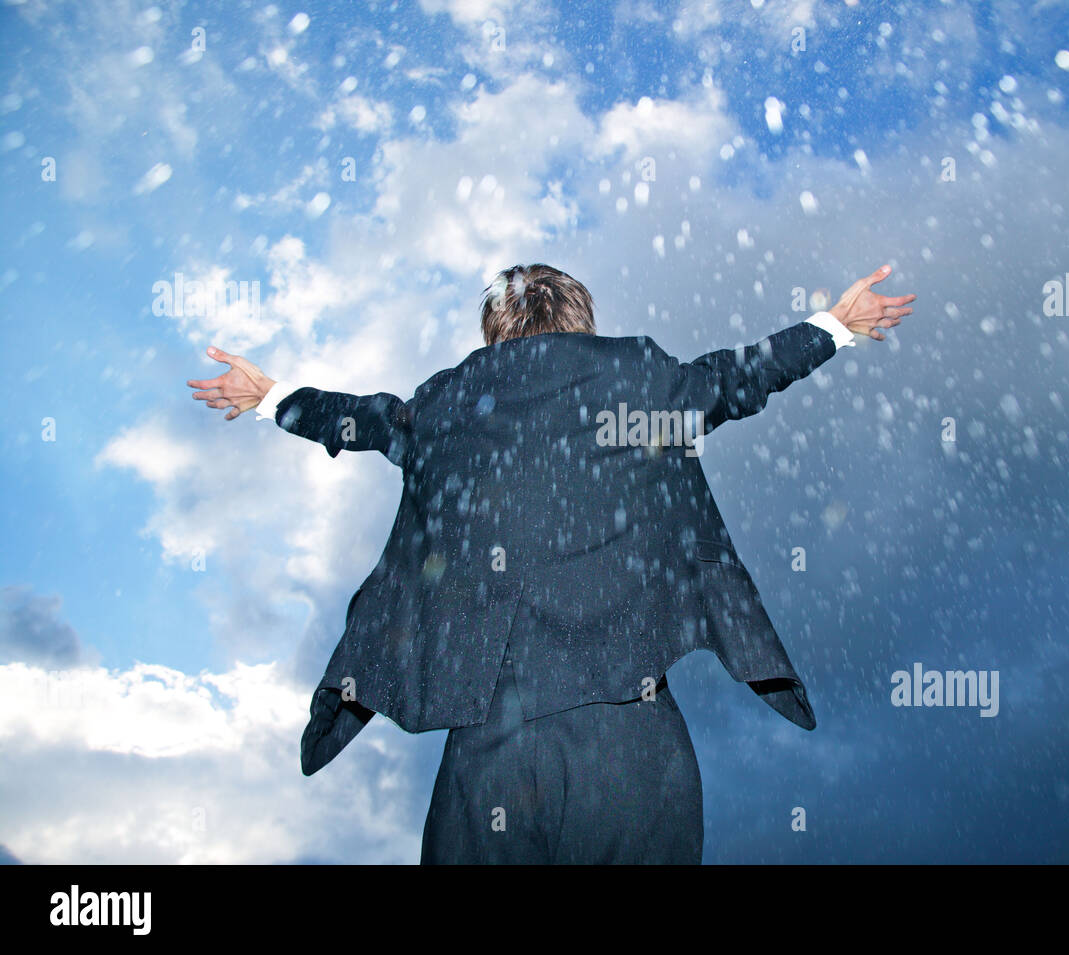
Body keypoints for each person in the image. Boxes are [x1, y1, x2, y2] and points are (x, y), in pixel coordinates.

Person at [187, 262, 914, 863]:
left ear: (494, 332)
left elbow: (365, 420)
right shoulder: (637, 379)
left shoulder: (446, 404)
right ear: (581, 321)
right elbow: (736, 379)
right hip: (631, 746)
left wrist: (271, 398)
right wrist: (836, 327)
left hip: (492, 748)